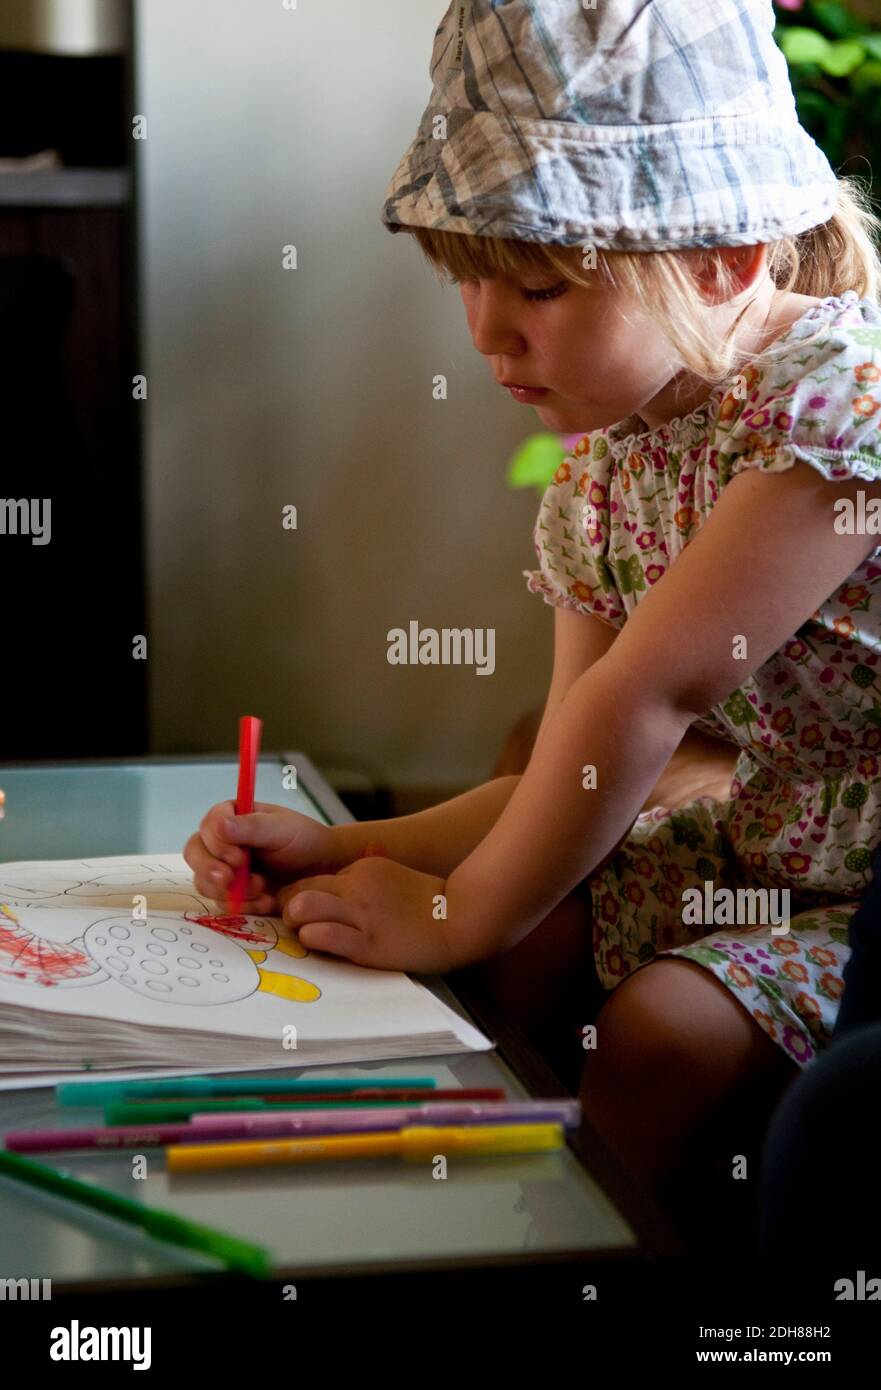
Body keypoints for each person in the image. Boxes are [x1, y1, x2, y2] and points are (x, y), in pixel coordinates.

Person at [184, 1, 881, 1237]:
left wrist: (451, 907)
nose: (489, 335)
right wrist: (355, 848)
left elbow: (646, 701)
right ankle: (522, 1219)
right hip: (745, 867)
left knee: (655, 1027)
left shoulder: (834, 410)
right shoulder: (603, 472)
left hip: (861, 905)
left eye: (542, 287)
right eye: (468, 283)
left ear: (722, 255)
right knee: (530, 953)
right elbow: (568, 751)